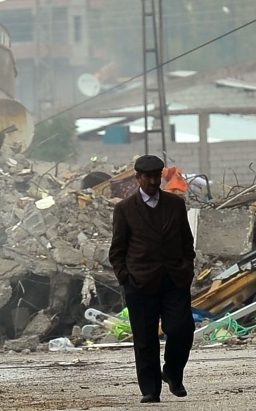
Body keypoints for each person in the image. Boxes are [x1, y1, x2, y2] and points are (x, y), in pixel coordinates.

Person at [109, 155, 196, 404]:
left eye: (157, 176)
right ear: (138, 178)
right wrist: (126, 279)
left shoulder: (175, 204)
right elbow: (117, 251)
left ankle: (172, 373)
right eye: (147, 177)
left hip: (174, 280)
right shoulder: (124, 209)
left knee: (182, 329)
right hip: (140, 282)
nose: (152, 181)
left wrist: (186, 268)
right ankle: (150, 389)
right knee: (145, 339)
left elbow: (186, 243)